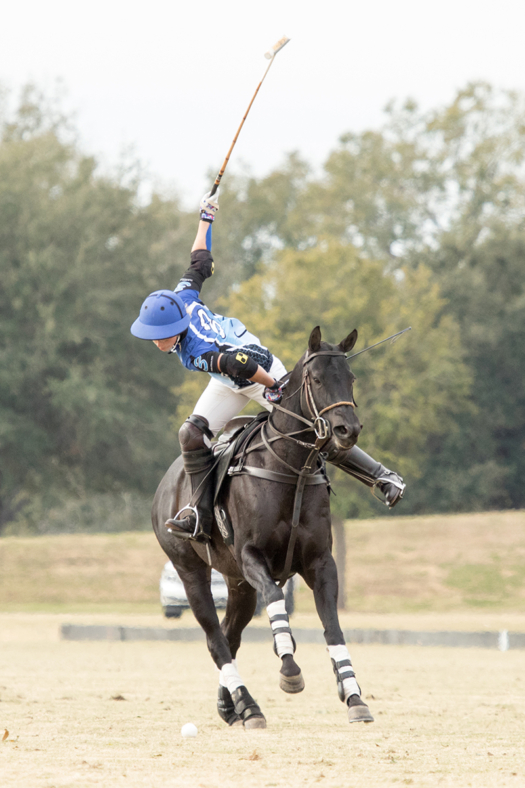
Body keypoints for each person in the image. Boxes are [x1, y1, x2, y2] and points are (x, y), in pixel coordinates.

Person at [131, 192, 405, 542]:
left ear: (176, 329)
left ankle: (382, 477)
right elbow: (200, 261)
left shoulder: (195, 351)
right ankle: (199, 515)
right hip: (229, 375)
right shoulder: (181, 297)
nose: (157, 342)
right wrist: (206, 217)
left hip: (256, 368)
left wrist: (274, 386)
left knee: (315, 429)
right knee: (190, 435)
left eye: (160, 337)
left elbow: (240, 363)